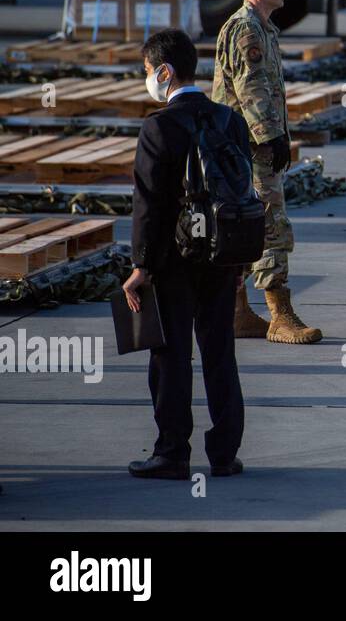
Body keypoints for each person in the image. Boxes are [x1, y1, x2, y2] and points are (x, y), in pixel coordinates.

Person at [123, 29, 247, 479]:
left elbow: (148, 204)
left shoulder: (158, 127)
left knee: (170, 354)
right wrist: (240, 263)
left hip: (173, 261)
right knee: (219, 352)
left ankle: (173, 452)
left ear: (164, 72)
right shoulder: (229, 120)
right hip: (221, 255)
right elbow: (243, 194)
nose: (147, 80)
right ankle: (224, 453)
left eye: (146, 72)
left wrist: (140, 266)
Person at [212, 0, 322, 345]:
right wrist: (272, 137)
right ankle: (280, 315)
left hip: (244, 145)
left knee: (243, 226)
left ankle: (239, 312)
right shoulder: (247, 29)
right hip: (250, 147)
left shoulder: (261, 27)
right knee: (270, 225)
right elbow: (251, 88)